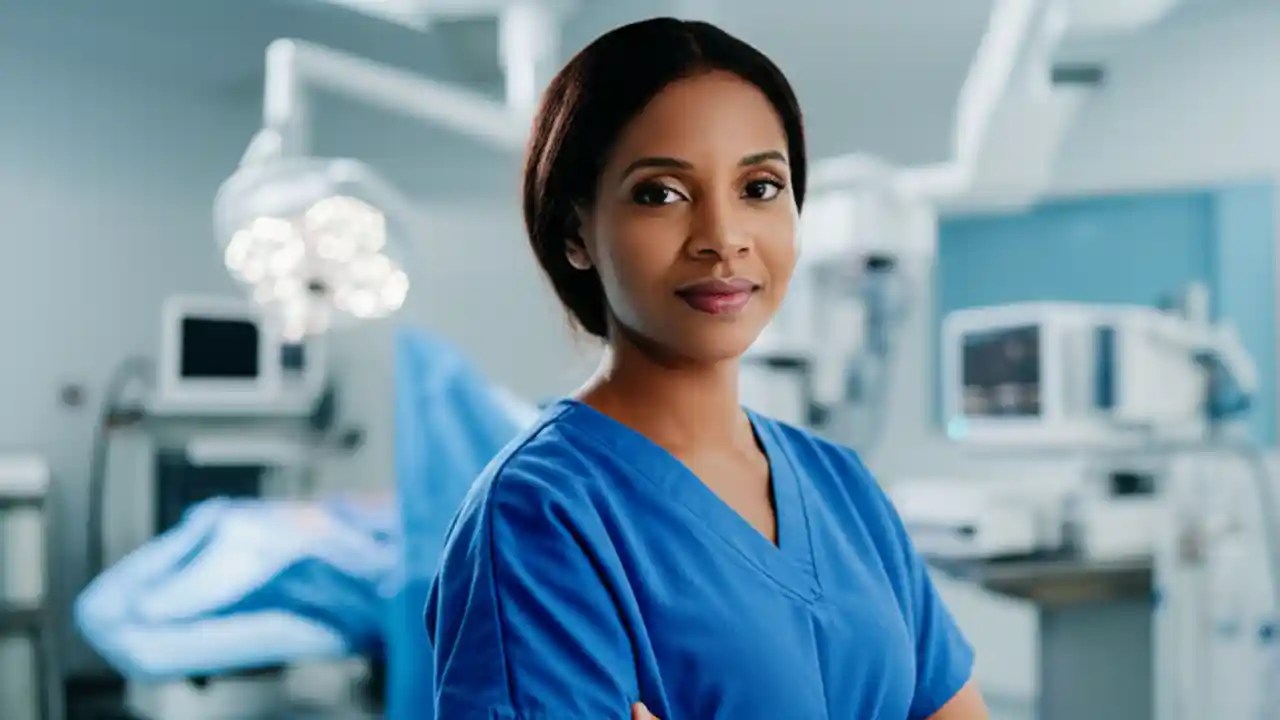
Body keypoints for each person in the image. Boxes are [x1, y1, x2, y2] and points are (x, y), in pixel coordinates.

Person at [427, 17, 988, 720]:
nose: (723, 239)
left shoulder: (842, 487)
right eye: (661, 193)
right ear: (576, 232)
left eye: (759, 188)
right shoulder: (540, 515)